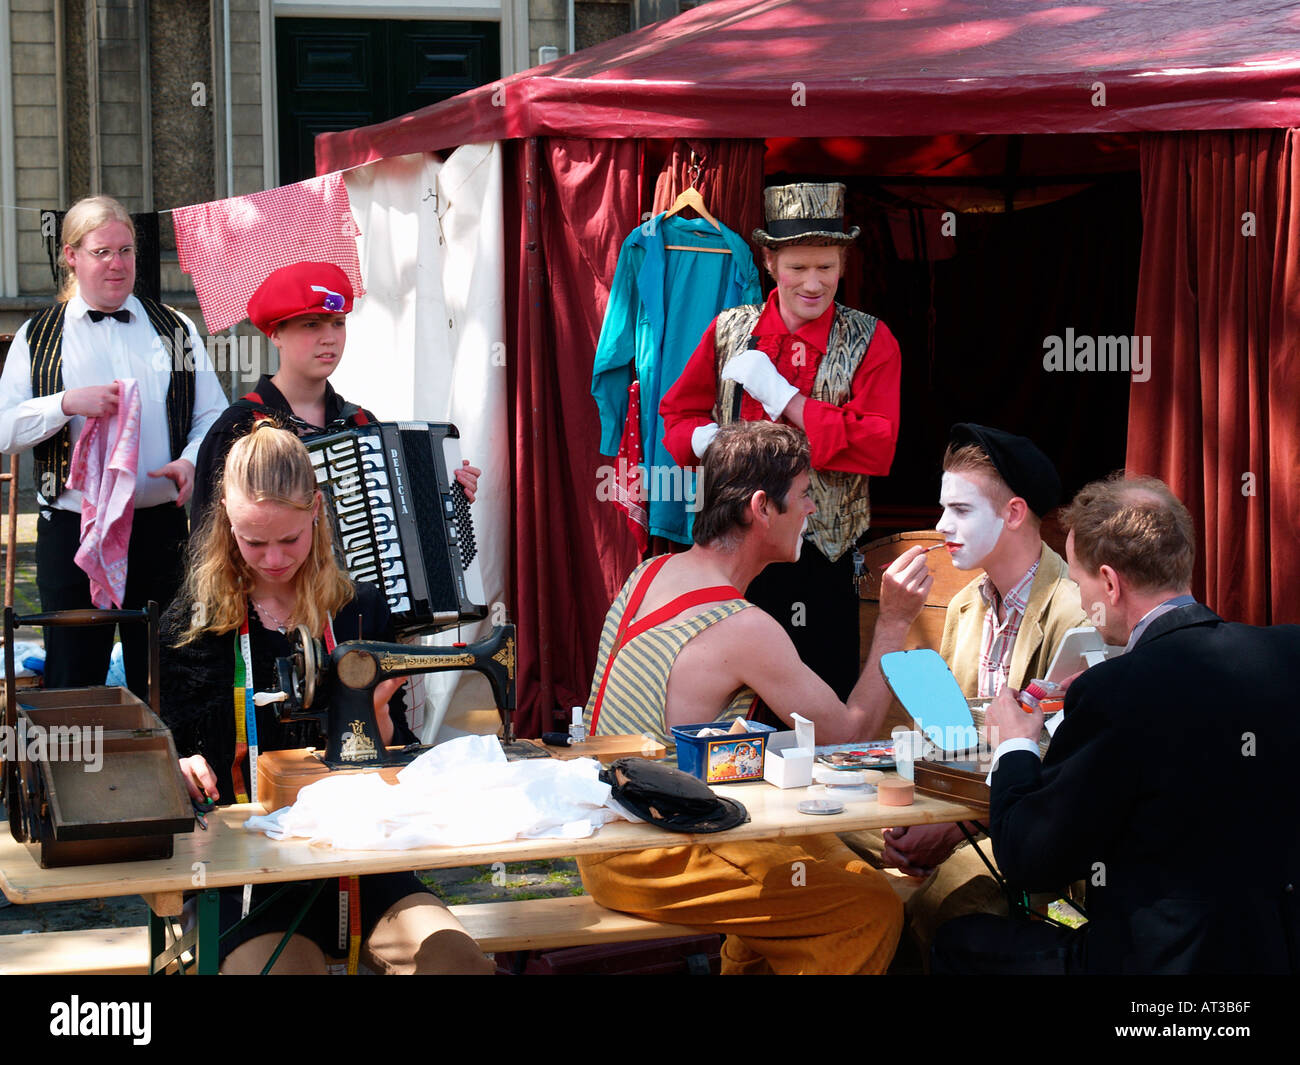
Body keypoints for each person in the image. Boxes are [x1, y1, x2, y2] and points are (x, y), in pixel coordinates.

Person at [932, 474, 1300, 974]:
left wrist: (1014, 745)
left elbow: (1029, 862)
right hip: (1276, 949)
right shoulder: (1288, 652)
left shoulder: (1115, 692)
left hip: (1157, 967)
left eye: (1080, 582)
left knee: (959, 939)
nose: (1083, 601)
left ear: (1109, 582)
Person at [160, 423, 491, 975]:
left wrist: (381, 720)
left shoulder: (360, 609)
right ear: (223, 513)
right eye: (252, 540)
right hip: (242, 871)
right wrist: (177, 765)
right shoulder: (192, 624)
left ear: (317, 509)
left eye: (289, 540)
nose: (271, 559)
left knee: (460, 967)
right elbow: (169, 757)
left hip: (361, 857)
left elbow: (392, 762)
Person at [578, 421, 904, 976]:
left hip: (611, 834)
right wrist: (895, 623)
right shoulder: (742, 626)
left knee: (825, 859)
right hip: (651, 854)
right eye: (804, 495)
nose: (812, 512)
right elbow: (850, 735)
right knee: (867, 909)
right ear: (761, 506)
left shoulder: (649, 572)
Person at [659, 183, 900, 707]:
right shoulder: (728, 331)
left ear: (842, 265)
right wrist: (705, 440)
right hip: (730, 554)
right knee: (728, 708)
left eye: (827, 267)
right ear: (769, 261)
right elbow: (677, 415)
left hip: (821, 555)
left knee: (819, 710)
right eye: (797, 267)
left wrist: (787, 399)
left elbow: (877, 443)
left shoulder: (872, 339)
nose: (813, 283)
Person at [848, 425, 1085, 946]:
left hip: (1027, 841)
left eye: (960, 510)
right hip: (950, 807)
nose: (940, 525)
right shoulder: (964, 606)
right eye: (942, 508)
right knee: (825, 846)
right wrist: (913, 819)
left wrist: (956, 829)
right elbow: (946, 741)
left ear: (1014, 513)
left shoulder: (1073, 610)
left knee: (944, 906)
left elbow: (1066, 777)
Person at [0, 195, 226, 698]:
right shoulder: (37, 337)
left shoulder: (175, 327)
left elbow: (213, 414)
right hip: (74, 532)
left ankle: (175, 775)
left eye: (126, 251)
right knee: (73, 683)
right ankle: (79, 774)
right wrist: (64, 404)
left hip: (159, 528)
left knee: (169, 678)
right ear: (71, 256)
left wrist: (191, 461)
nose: (118, 264)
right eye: (102, 251)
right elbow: (4, 428)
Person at [190, 261, 479, 530]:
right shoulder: (236, 428)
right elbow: (208, 546)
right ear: (275, 334)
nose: (329, 337)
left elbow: (398, 525)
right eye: (311, 324)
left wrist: (445, 489)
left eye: (338, 323)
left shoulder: (362, 424)